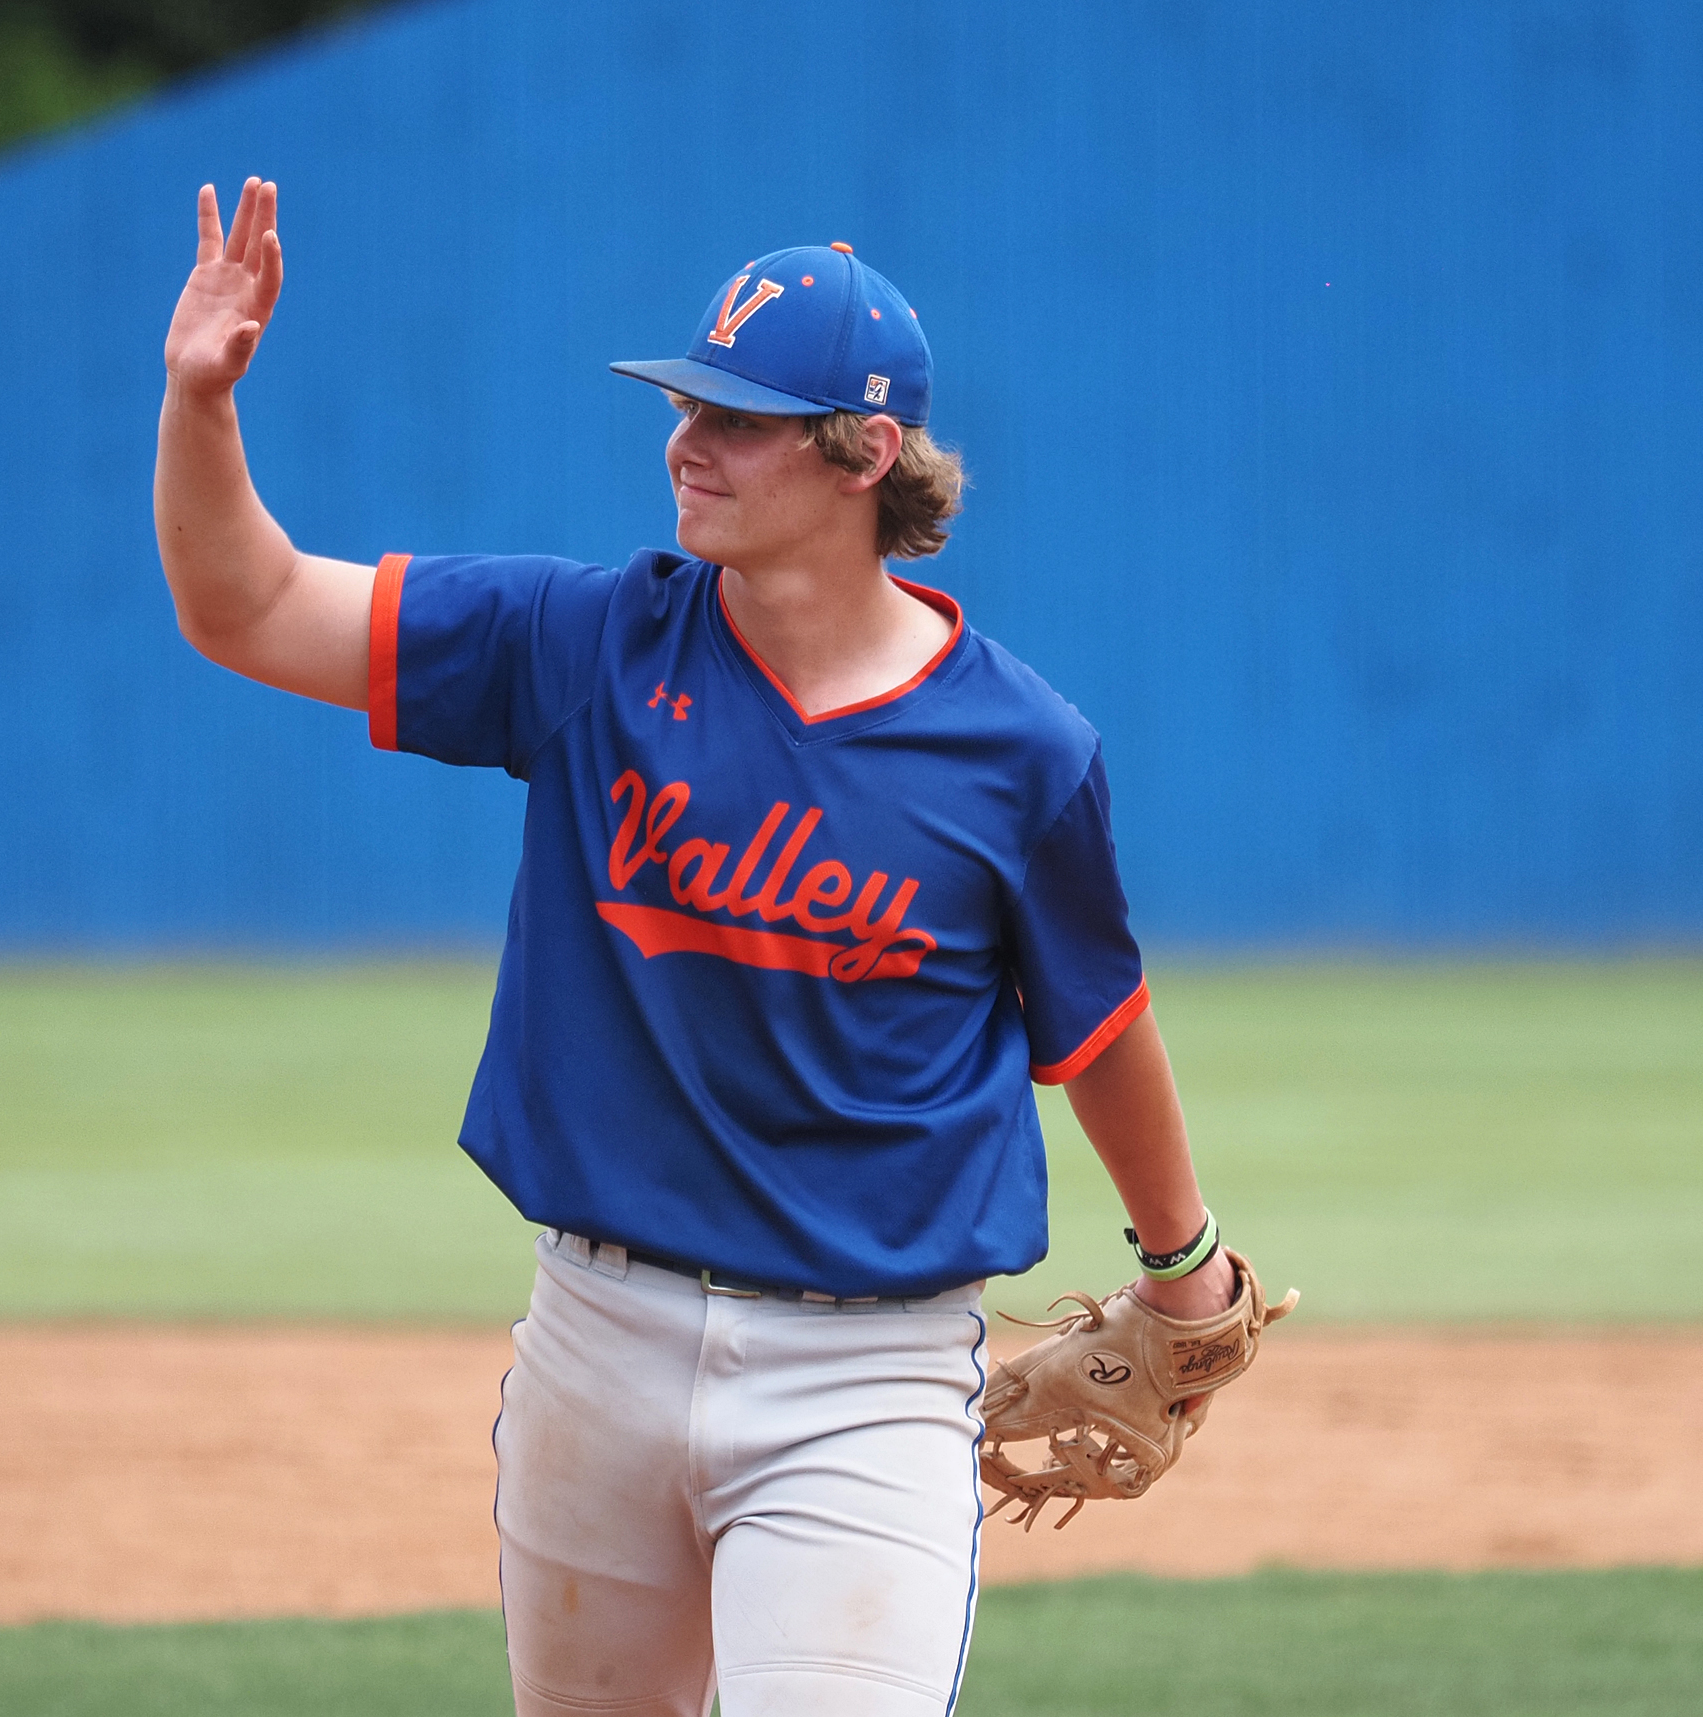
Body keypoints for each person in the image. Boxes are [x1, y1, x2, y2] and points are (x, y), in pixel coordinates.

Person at [157, 177, 1237, 1717]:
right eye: (686, 401)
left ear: (862, 453)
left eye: (738, 417)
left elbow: (1094, 1023)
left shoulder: (1019, 749)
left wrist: (1182, 1265)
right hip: (597, 1338)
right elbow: (245, 603)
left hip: (862, 1379)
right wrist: (202, 404)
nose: (686, 438)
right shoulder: (585, 645)